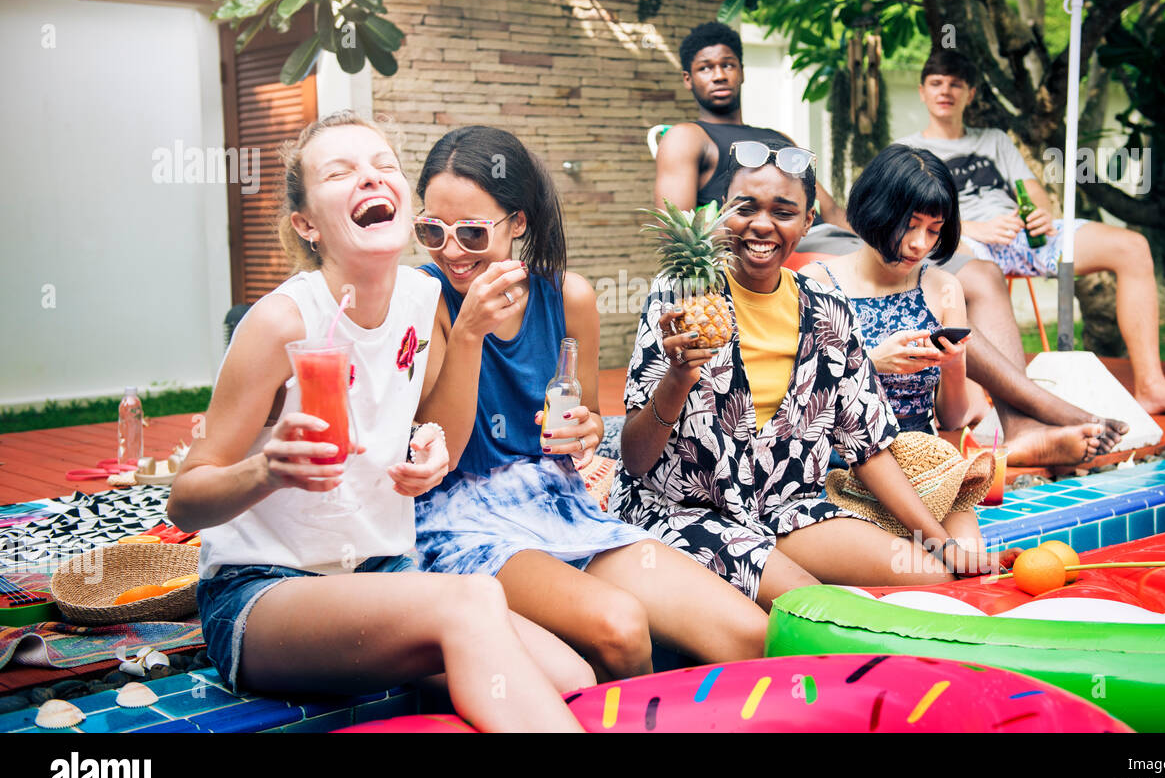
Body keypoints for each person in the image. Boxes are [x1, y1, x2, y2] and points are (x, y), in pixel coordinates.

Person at [169, 111, 588, 732]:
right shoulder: (282, 322)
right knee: (470, 600)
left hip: (381, 572)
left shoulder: (423, 301)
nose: (369, 177)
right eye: (341, 172)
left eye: (383, 164)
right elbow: (184, 501)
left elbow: (437, 431)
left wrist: (428, 454)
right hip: (265, 592)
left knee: (572, 677)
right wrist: (265, 468)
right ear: (306, 224)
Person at [412, 125, 768, 680]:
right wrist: (468, 332)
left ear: (518, 224)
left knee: (748, 634)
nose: (451, 251)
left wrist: (586, 429)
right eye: (432, 230)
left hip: (559, 501)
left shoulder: (567, 296)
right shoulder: (423, 298)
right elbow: (442, 451)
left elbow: (589, 417)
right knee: (620, 626)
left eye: (472, 233)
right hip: (462, 515)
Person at [611, 139, 1017, 609]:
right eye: (746, 207)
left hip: (785, 510)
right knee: (816, 607)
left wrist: (936, 541)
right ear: (723, 212)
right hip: (687, 512)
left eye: (783, 212)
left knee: (931, 575)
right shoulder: (680, 295)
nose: (762, 224)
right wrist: (678, 378)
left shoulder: (826, 308)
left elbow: (868, 448)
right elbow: (636, 460)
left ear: (807, 223)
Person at [899, 48, 1165, 418]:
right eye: (936, 83)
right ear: (922, 91)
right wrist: (971, 227)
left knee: (1132, 247)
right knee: (966, 277)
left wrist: (1039, 214)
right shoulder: (908, 151)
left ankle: (1152, 386)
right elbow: (905, 218)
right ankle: (979, 403)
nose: (945, 91)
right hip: (961, 240)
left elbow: (1033, 192)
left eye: (956, 84)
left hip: (1018, 233)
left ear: (970, 94)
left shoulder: (995, 140)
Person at [801, 144, 1108, 464]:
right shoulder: (818, 282)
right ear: (876, 210)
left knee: (964, 514)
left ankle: (1016, 444)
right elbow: (800, 394)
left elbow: (951, 418)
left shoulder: (942, 287)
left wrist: (953, 366)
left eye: (934, 230)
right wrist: (873, 361)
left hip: (922, 460)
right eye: (910, 225)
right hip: (844, 460)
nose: (921, 244)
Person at [654, 21, 858, 253]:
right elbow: (677, 234)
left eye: (728, 65)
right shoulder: (687, 137)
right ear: (688, 79)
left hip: (829, 241)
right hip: (776, 251)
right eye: (705, 68)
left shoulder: (778, 138)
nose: (719, 75)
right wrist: (769, 230)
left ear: (742, 72)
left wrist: (877, 242)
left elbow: (831, 212)